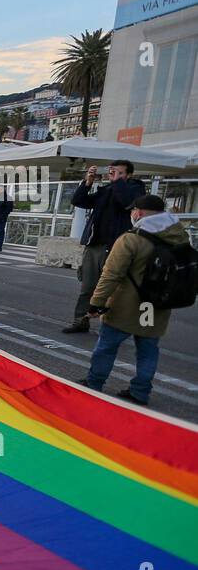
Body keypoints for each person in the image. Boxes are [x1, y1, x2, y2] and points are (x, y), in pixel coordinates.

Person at [82, 194, 191, 406]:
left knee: (106, 346)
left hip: (125, 305)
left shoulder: (131, 239)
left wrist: (96, 302)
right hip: (155, 306)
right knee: (148, 350)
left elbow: (111, 274)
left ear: (138, 213)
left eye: (133, 211)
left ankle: (94, 384)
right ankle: (140, 391)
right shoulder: (180, 237)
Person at [64, 160, 146, 333]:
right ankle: (81, 320)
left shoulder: (135, 188)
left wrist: (117, 182)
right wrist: (88, 182)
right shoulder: (107, 190)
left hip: (117, 246)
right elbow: (79, 201)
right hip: (95, 245)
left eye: (119, 173)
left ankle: (111, 326)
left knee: (114, 289)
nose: (113, 175)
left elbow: (127, 202)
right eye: (112, 172)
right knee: (87, 286)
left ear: (129, 175)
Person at [0, 186, 14, 252]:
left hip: (2, 218)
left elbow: (9, 209)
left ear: (3, 190)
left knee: (0, 231)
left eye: (0, 189)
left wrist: (2, 216)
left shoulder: (8, 198)